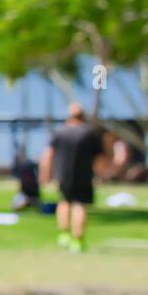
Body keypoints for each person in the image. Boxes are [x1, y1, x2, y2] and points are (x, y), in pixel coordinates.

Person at [40, 103, 108, 254]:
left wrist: (45, 175)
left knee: (64, 202)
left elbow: (48, 156)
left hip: (63, 175)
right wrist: (102, 174)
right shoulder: (89, 133)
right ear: (83, 116)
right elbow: (100, 158)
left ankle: (64, 234)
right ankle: (77, 241)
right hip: (84, 175)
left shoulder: (60, 132)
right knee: (79, 206)